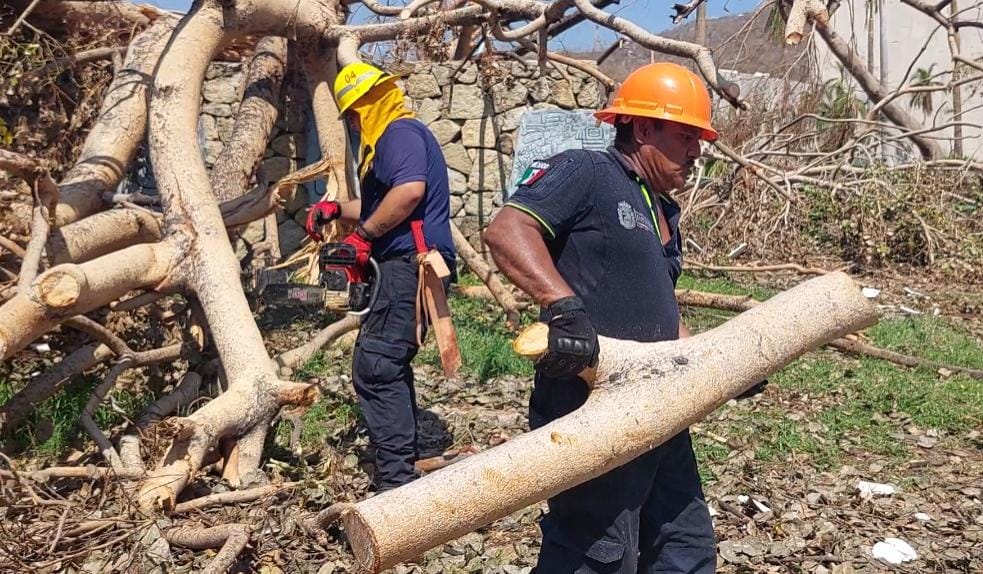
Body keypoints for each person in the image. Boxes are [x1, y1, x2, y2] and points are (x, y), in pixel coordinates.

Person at [484, 62, 722, 573]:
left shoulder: (664, 211)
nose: (696, 151)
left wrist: (712, 362)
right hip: (590, 402)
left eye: (698, 139)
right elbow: (508, 230)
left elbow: (661, 310)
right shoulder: (587, 171)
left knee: (684, 546)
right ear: (641, 128)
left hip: (660, 405)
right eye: (685, 136)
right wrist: (564, 308)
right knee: (597, 553)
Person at [304, 61, 456, 493]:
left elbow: (408, 193)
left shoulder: (399, 134)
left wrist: (363, 239)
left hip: (413, 264)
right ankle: (404, 459)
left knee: (376, 366)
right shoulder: (388, 144)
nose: (352, 123)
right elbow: (377, 206)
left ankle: (395, 482)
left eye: (353, 113)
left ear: (369, 104)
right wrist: (336, 210)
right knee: (388, 363)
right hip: (406, 264)